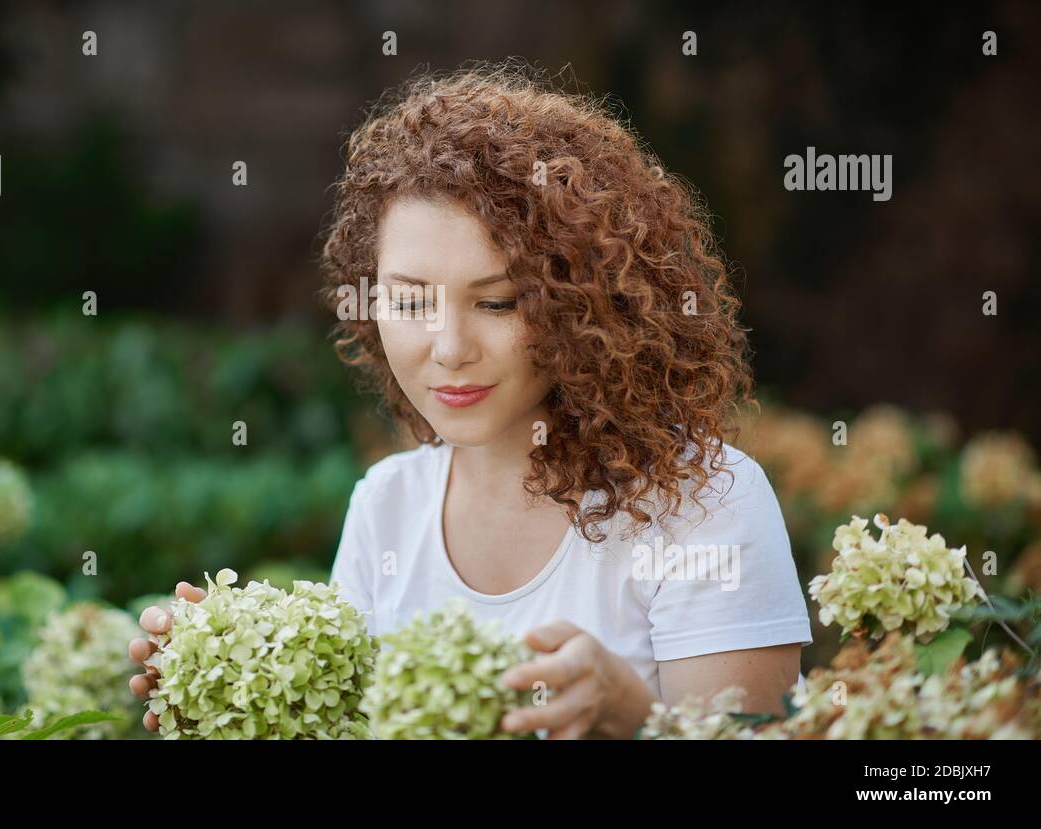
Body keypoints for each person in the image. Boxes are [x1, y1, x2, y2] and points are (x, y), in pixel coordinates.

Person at [129, 60, 811, 738]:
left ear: (586, 303)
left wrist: (629, 717)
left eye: (497, 301)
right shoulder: (386, 507)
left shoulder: (702, 507)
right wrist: (227, 685)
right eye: (409, 300)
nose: (448, 346)